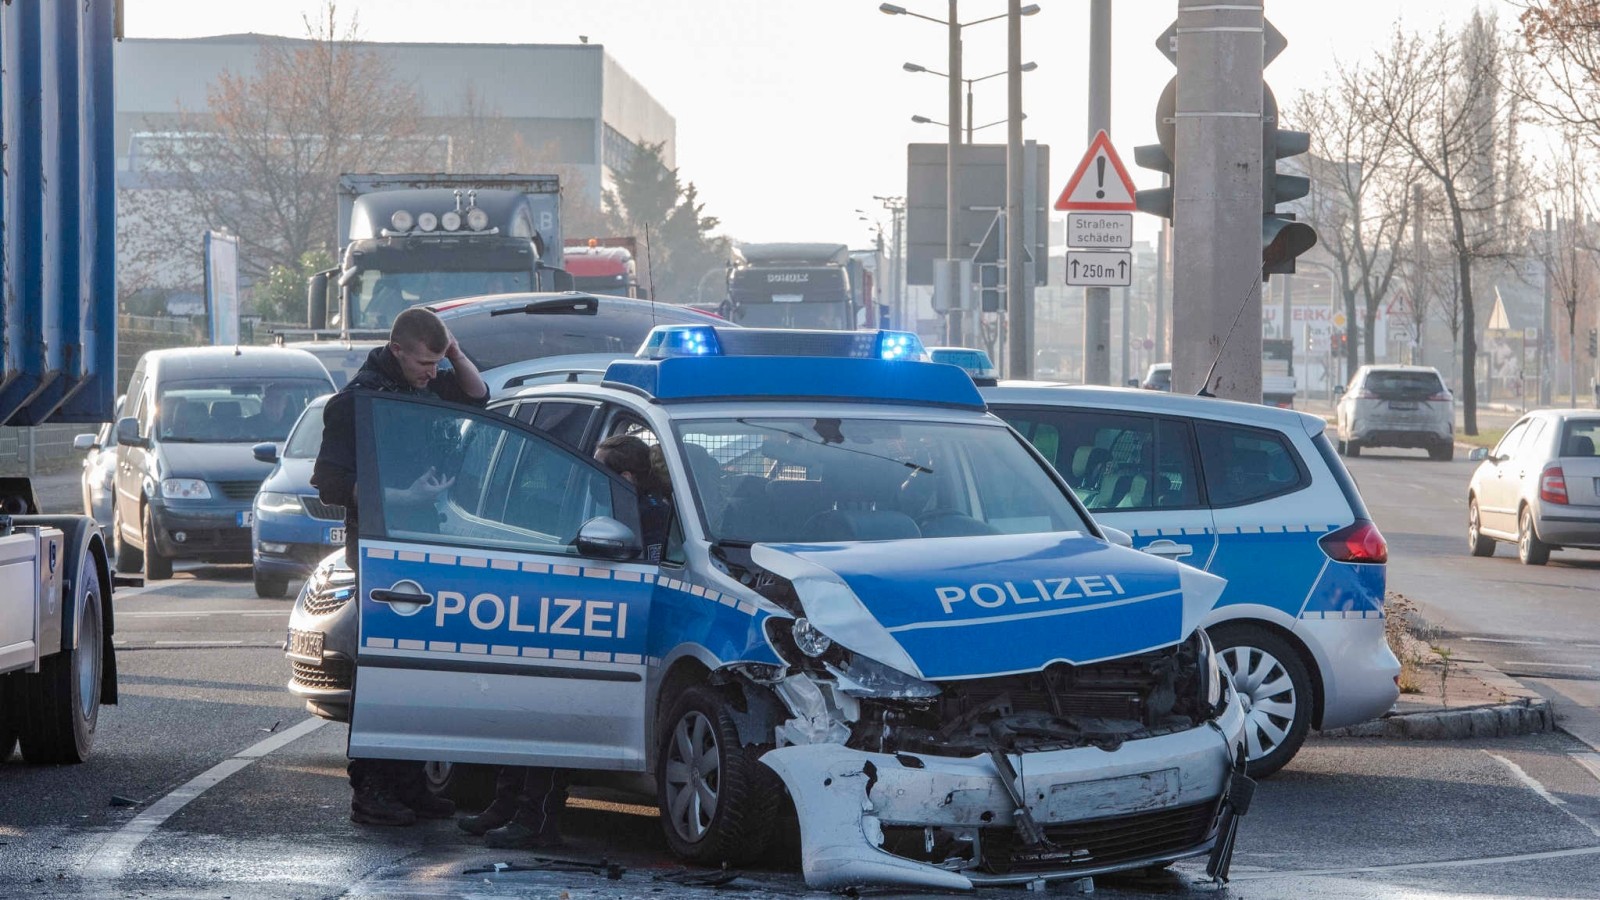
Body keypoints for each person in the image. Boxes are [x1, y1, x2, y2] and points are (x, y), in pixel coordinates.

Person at [312, 307, 488, 827]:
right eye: (425, 362)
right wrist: (400, 496)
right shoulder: (354, 403)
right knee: (383, 675)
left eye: (438, 362)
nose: (433, 373)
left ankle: (411, 786)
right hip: (380, 551)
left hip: (425, 544)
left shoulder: (427, 385)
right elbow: (328, 483)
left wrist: (454, 351)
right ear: (397, 352)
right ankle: (371, 789)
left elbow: (479, 397)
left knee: (419, 673)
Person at [457, 435, 672, 849]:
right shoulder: (616, 505)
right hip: (574, 616)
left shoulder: (646, 515)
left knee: (548, 714)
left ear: (625, 476)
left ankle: (537, 819)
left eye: (599, 467)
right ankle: (507, 804)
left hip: (606, 629)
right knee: (524, 708)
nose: (590, 475)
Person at [594, 434, 673, 562]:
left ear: (625, 478)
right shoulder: (629, 507)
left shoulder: (650, 516)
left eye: (599, 472)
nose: (593, 478)